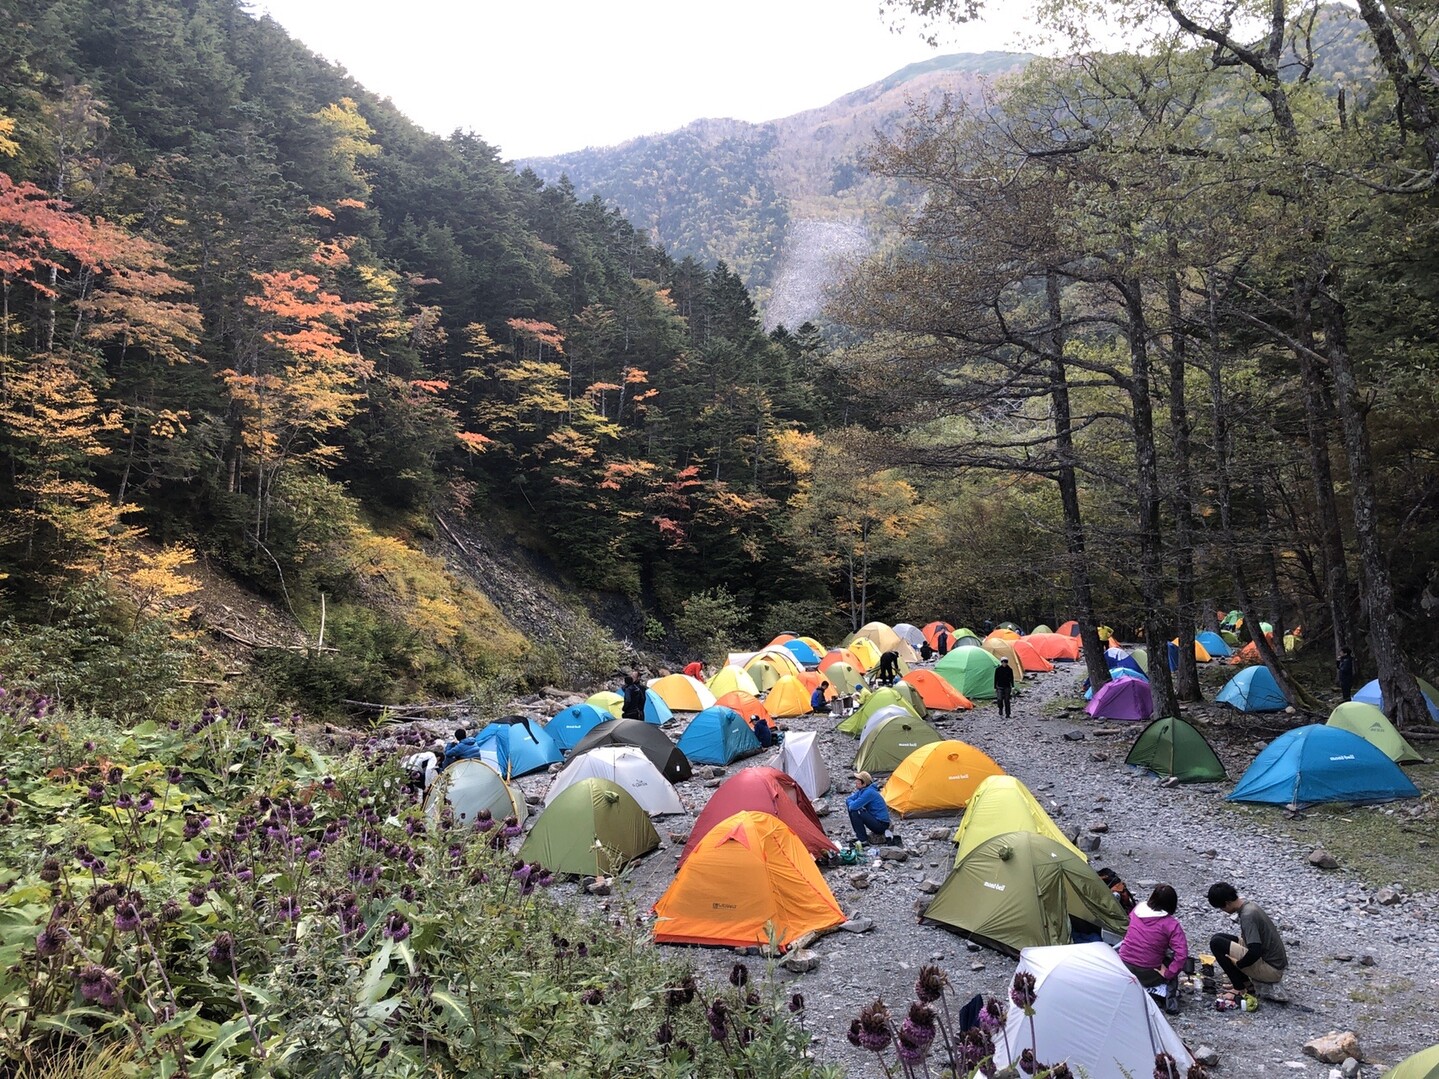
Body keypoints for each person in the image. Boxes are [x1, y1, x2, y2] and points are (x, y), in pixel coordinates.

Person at [1206, 882, 1287, 1000]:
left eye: (1222, 907)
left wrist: (1238, 964)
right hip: (1271, 960)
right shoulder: (1249, 906)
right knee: (1218, 937)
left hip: (1272, 969)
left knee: (1216, 944)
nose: (1223, 910)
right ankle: (1246, 984)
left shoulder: (1247, 915)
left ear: (1227, 903)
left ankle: (1239, 988)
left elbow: (1255, 952)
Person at [1118, 884, 1190, 1015]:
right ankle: (1168, 997)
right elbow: (1182, 954)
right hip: (1147, 972)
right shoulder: (1171, 924)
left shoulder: (1137, 909)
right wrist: (1168, 973)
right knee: (1171, 961)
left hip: (1124, 966)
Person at [845, 771, 897, 848]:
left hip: (881, 825)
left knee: (856, 811)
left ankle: (863, 840)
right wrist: (852, 804)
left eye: (858, 780)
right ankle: (861, 837)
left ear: (864, 783)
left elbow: (852, 806)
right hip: (875, 820)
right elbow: (848, 799)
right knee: (855, 809)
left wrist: (852, 804)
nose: (856, 782)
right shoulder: (862, 791)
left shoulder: (869, 793)